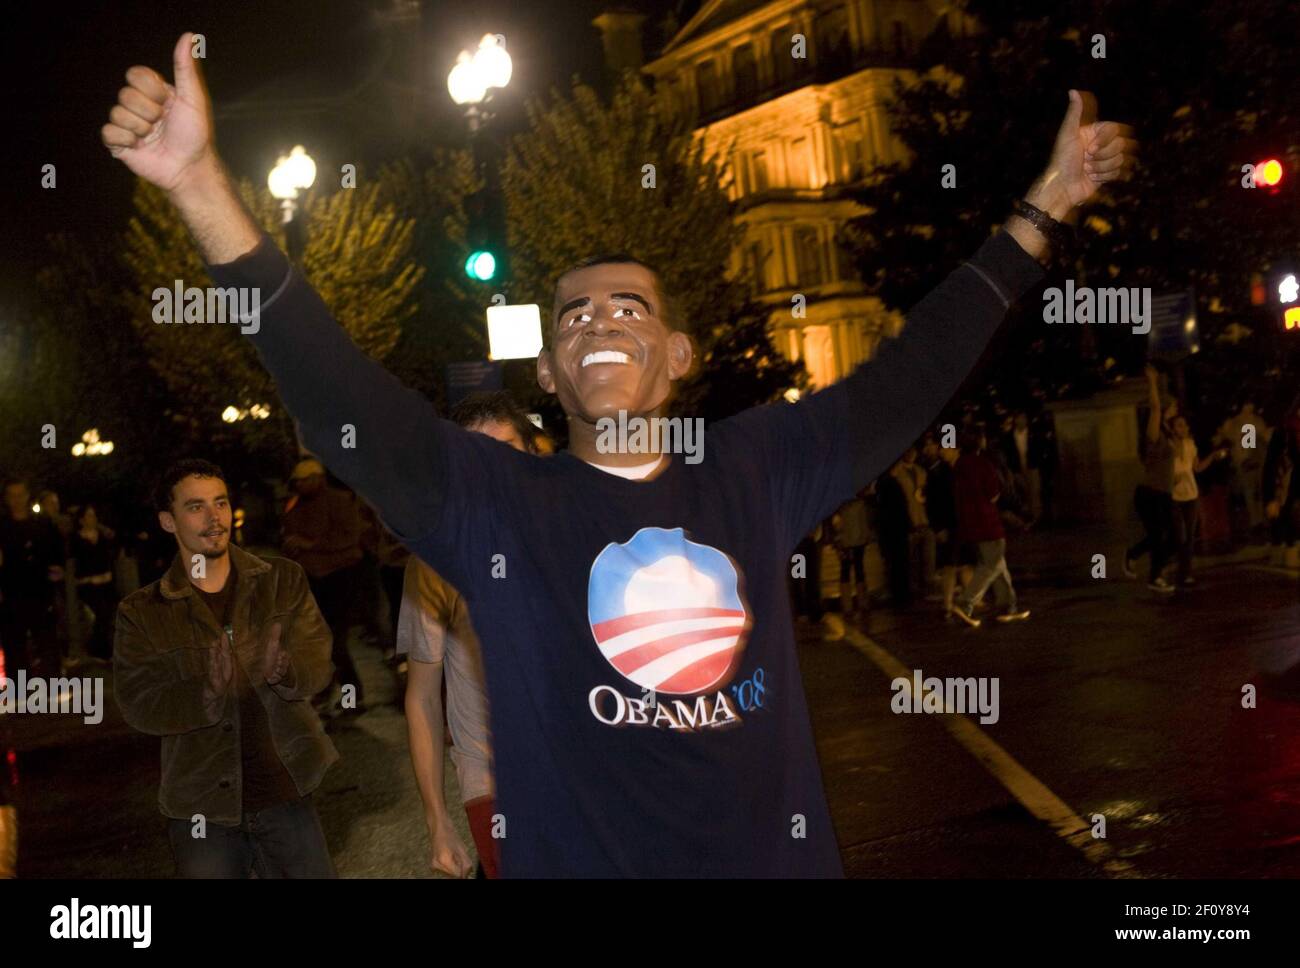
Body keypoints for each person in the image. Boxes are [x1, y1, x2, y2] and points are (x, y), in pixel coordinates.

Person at [102, 38, 1134, 875]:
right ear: (550, 369)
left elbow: (912, 373)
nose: (600, 318)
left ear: (677, 355)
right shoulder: (493, 501)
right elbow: (338, 394)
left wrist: (1042, 208)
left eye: (630, 305)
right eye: (575, 312)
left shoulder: (758, 464)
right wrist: (200, 186)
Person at [114, 459, 338, 877]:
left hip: (284, 792)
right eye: (196, 506)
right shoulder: (142, 611)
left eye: (220, 502)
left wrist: (285, 669)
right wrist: (207, 692)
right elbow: (138, 703)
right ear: (168, 521)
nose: (214, 516)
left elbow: (319, 660)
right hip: (201, 809)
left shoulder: (281, 579)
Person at [400, 391, 538, 880]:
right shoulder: (437, 563)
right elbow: (421, 698)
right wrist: (437, 822)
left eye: (505, 452)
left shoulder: (577, 534)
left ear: (532, 454)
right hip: (493, 783)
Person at [282, 458, 365, 712]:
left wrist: (311, 544)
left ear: (317, 478)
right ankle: (327, 691)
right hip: (313, 578)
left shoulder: (339, 501)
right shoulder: (296, 505)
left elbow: (350, 537)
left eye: (303, 481)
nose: (299, 486)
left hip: (340, 575)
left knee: (334, 640)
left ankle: (351, 696)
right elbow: (290, 533)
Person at [950, 428, 1031, 627]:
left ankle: (1008, 607)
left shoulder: (958, 466)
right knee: (990, 566)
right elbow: (994, 494)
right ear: (980, 442)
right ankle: (965, 603)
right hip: (987, 523)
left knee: (998, 565)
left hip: (969, 524)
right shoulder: (983, 465)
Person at [0, 479, 65, 677]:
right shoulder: (3, 526)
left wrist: (57, 569)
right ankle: (20, 687)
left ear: (28, 496)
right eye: (13, 495)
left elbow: (57, 550)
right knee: (14, 642)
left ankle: (51, 682)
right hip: (11, 591)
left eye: (21, 494)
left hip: (40, 589)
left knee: (46, 638)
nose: (17, 500)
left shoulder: (43, 524)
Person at [1124, 365, 1178, 593]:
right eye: (1173, 405)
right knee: (1160, 536)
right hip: (1150, 493)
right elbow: (1155, 407)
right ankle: (1155, 577)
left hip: (1164, 492)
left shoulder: (1168, 432)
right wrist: (1152, 382)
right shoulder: (1153, 435)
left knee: (1173, 535)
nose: (1176, 406)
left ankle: (1134, 555)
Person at [1168, 415, 1229, 588]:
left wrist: (1213, 456)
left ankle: (1185, 573)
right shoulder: (1170, 446)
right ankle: (1175, 568)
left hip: (1191, 495)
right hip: (1174, 496)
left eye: (1184, 425)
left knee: (1188, 537)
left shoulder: (1190, 444)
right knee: (1180, 536)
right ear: (1172, 429)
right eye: (1178, 426)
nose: (1182, 428)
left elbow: (1197, 467)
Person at [925, 435, 975, 618]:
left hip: (964, 523)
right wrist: (938, 527)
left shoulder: (963, 469)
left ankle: (969, 601)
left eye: (945, 448)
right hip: (948, 525)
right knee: (950, 565)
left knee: (966, 564)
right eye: (941, 448)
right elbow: (931, 503)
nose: (941, 451)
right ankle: (947, 604)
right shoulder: (938, 472)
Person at [71, 504, 118, 661]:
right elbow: (78, 565)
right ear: (82, 519)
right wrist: (90, 579)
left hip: (105, 581)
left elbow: (107, 557)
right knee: (101, 610)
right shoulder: (76, 539)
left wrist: (108, 574)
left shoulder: (102, 536)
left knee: (112, 610)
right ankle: (100, 649)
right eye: (89, 516)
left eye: (94, 515)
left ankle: (103, 646)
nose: (93, 519)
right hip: (88, 584)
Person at [832, 488, 870, 617]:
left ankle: (851, 605)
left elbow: (837, 523)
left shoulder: (842, 504)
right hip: (851, 542)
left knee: (850, 571)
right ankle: (858, 603)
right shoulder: (857, 503)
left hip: (851, 542)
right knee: (853, 571)